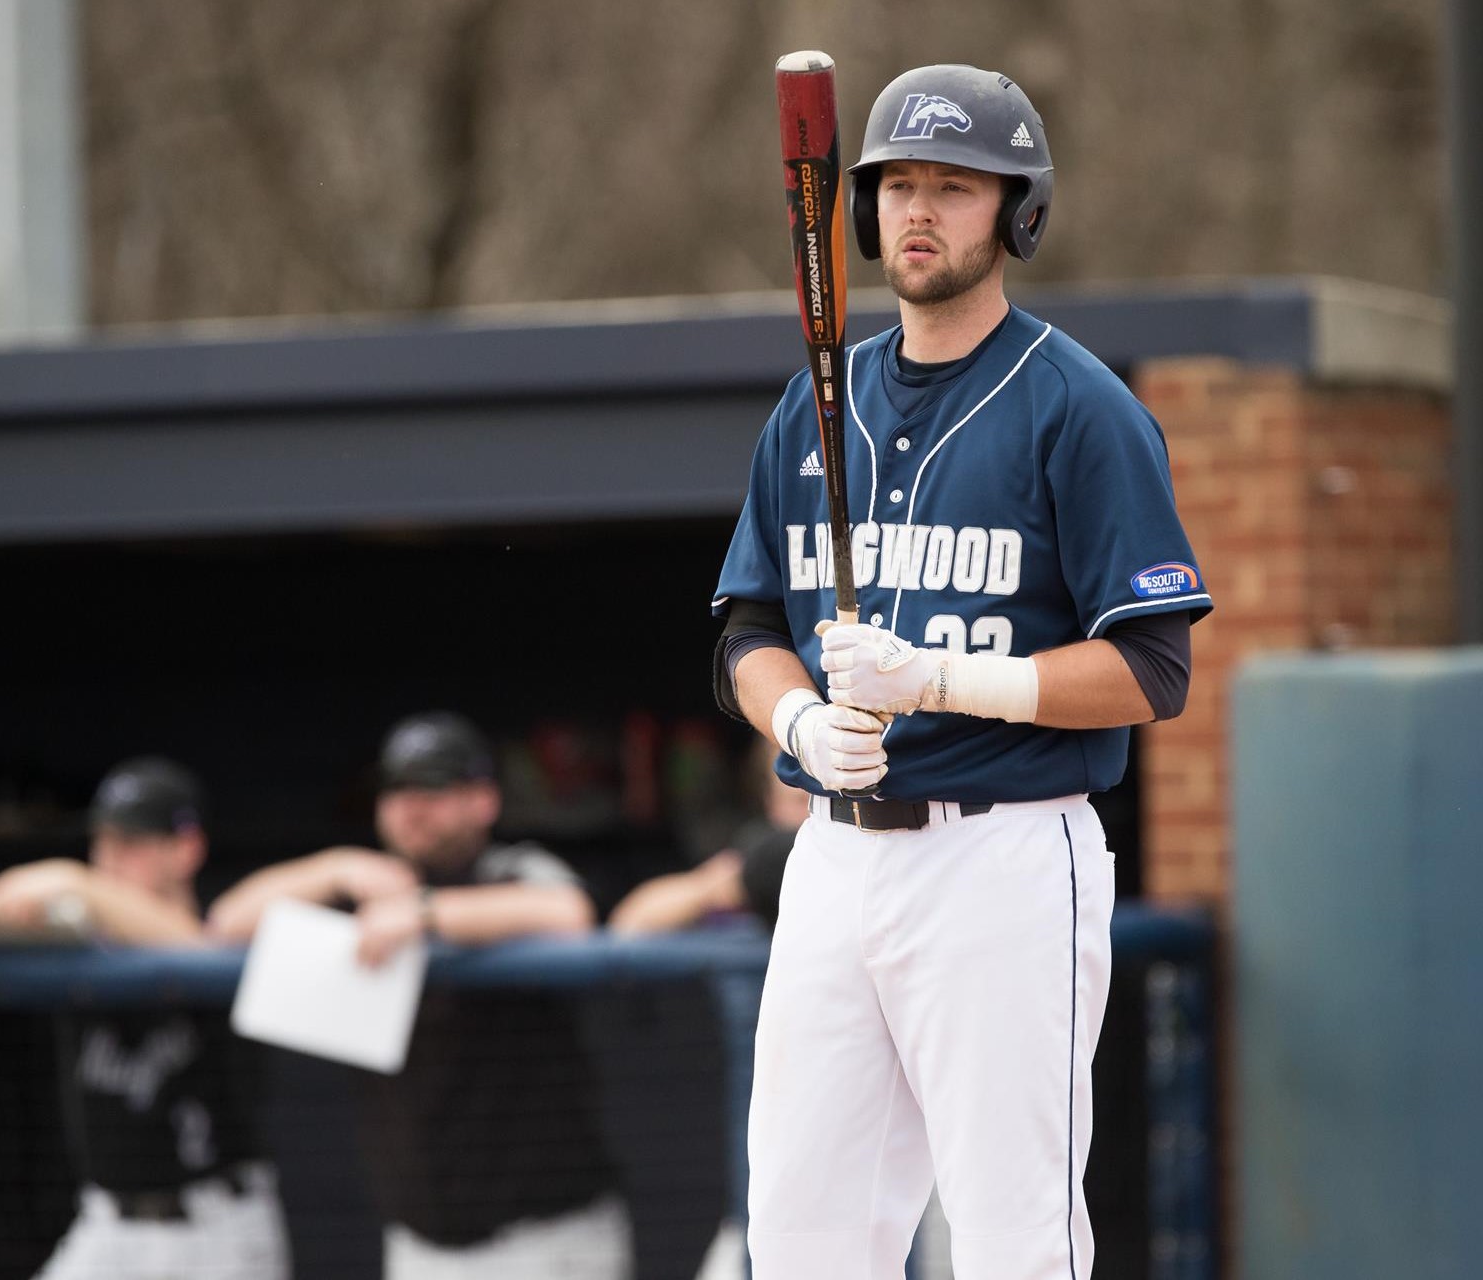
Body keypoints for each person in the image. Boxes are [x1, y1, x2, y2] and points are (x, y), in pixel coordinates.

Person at [709, 64, 1212, 1280]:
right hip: (833, 853)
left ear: (1016, 214)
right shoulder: (816, 401)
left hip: (1003, 852)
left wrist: (939, 679)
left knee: (1013, 1240)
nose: (919, 211)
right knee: (803, 1239)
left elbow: (1153, 667)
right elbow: (745, 625)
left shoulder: (1078, 405)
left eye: (955, 186)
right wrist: (797, 718)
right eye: (895, 187)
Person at [206, 712, 630, 1280]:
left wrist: (426, 914)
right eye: (396, 791)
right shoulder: (368, 889)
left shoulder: (508, 868)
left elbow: (570, 913)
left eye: (432, 789)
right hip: (423, 1245)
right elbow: (225, 924)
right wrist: (335, 869)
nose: (410, 807)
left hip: (547, 1238)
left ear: (483, 801)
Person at [0, 757, 291, 1280]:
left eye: (131, 845)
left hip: (215, 1229)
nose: (109, 862)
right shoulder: (75, 939)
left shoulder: (217, 938)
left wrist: (75, 882)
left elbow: (188, 943)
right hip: (109, 1226)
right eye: (103, 844)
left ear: (186, 849)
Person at [607, 737, 806, 935]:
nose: (814, 814)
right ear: (771, 802)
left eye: (830, 801)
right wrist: (727, 888)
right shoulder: (756, 862)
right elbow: (630, 920)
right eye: (800, 800)